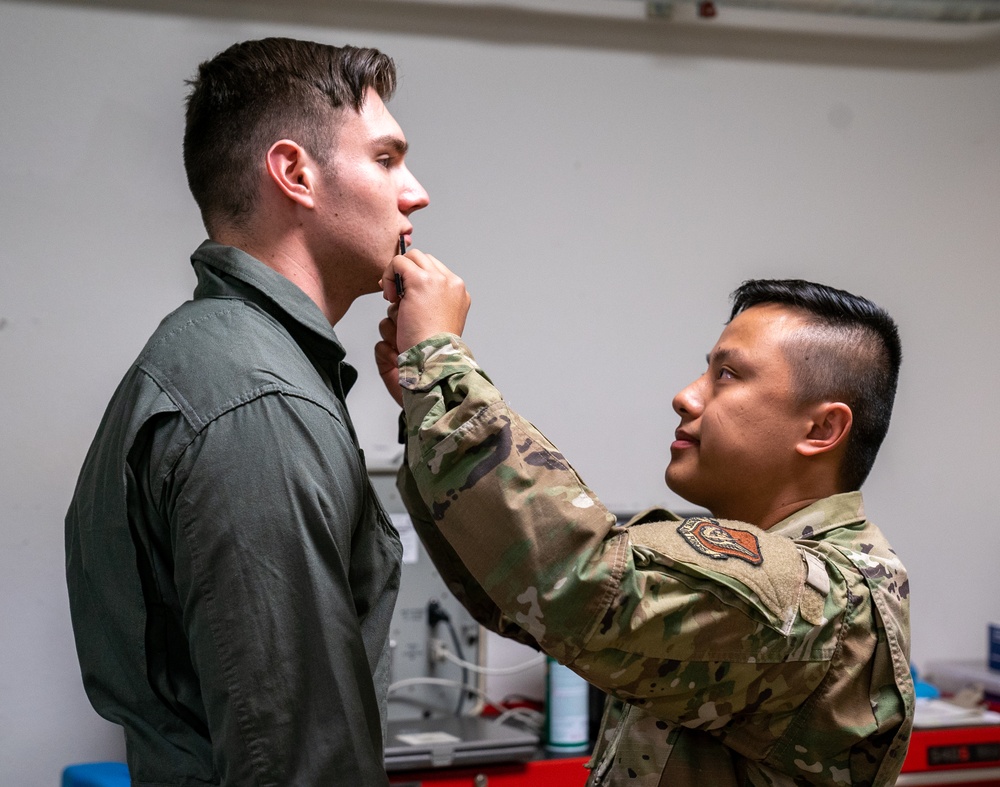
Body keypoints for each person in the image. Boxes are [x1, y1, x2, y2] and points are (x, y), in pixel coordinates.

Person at [375, 254, 913, 787]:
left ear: (821, 428)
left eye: (727, 375)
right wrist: (426, 413)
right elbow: (517, 594)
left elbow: (583, 583)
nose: (686, 396)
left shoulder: (819, 598)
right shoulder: (776, 570)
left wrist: (440, 363)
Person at [65, 37, 429, 785]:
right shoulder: (256, 400)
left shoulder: (221, 358)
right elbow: (299, 763)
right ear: (295, 173)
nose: (415, 191)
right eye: (388, 159)